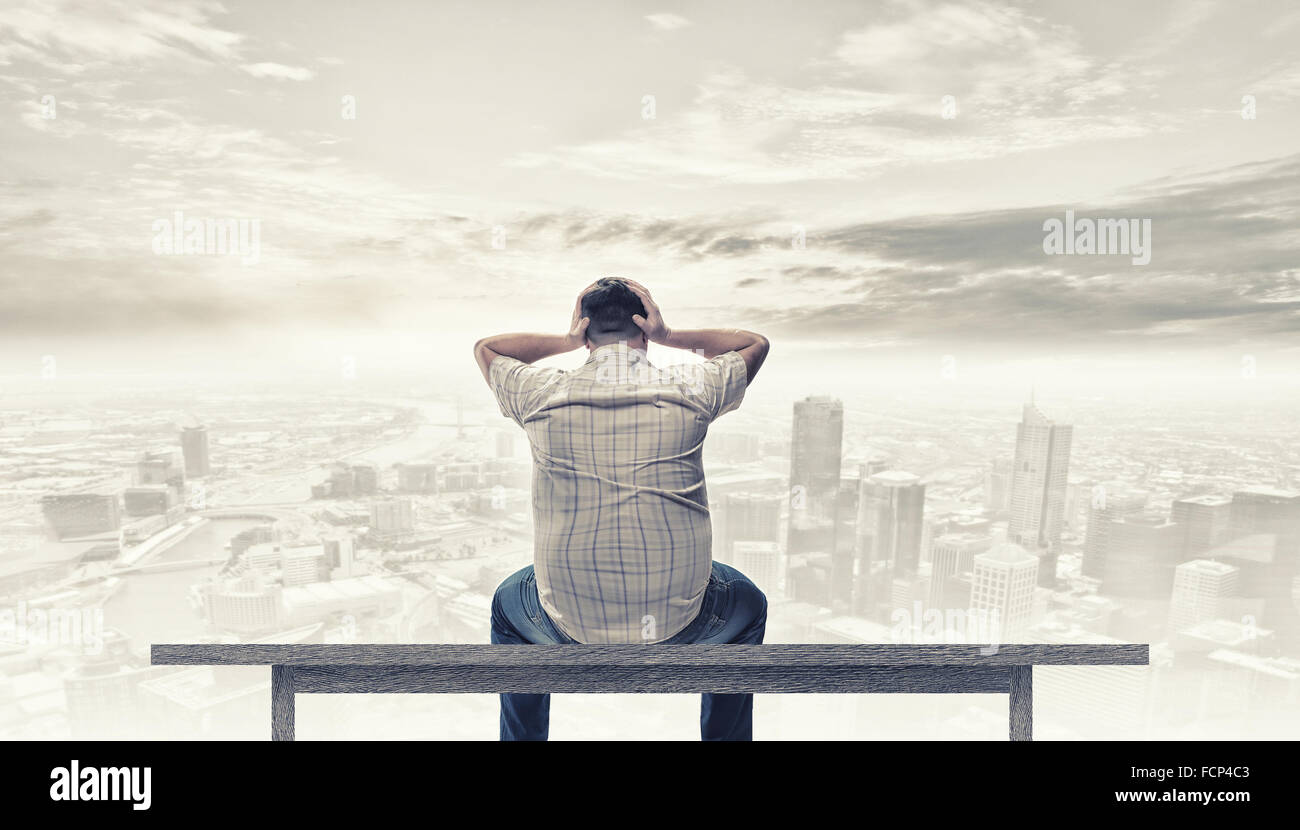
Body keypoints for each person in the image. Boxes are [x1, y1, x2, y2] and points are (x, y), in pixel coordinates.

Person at [473, 277, 771, 740]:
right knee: (747, 601)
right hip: (681, 630)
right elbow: (754, 343)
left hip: (565, 629)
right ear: (643, 326)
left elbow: (488, 349)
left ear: (585, 327)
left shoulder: (539, 395)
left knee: (509, 601)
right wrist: (669, 336)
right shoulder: (691, 389)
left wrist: (567, 338)